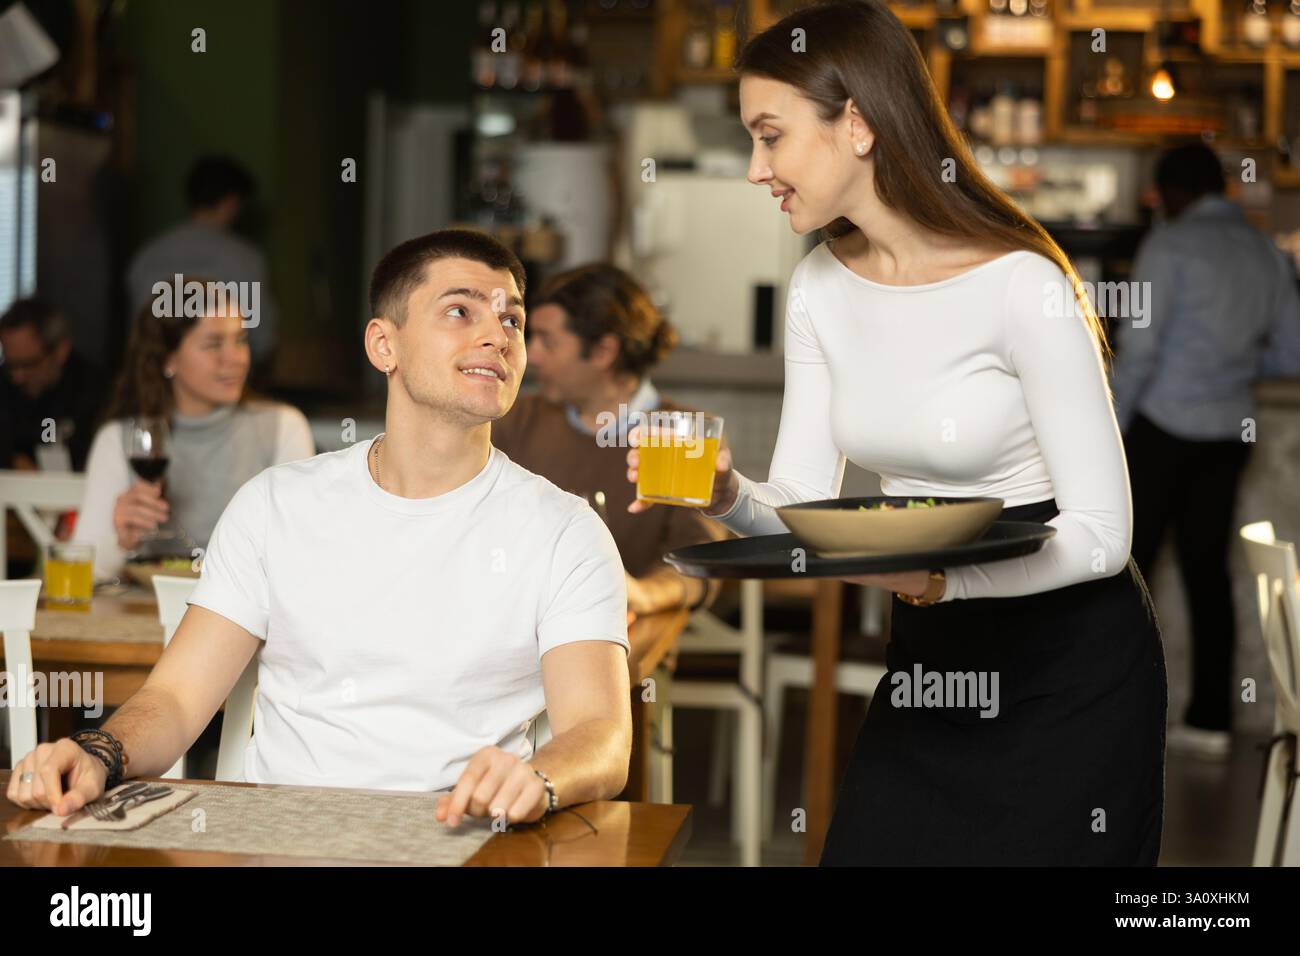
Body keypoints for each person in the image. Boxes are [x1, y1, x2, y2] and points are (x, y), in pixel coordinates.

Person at [627, 0, 1165, 865]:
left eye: (771, 136)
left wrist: (942, 585)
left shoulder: (1020, 284)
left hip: (1069, 671)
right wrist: (727, 493)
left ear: (860, 125)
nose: (756, 168)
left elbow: (1103, 538)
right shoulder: (818, 289)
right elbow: (802, 506)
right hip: (932, 659)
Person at [9, 230, 632, 830]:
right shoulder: (275, 506)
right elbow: (174, 699)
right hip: (280, 844)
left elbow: (599, 735)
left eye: (513, 321)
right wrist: (98, 751)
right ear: (384, 345)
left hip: (460, 843)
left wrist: (539, 779)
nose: (498, 335)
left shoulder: (566, 532)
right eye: (459, 311)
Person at [1114, 143, 1300, 759]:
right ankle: (1211, 720)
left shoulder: (1167, 245)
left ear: (1172, 192)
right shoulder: (1264, 251)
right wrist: (1240, 366)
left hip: (1162, 427)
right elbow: (1291, 352)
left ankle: (1112, 713)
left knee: (1125, 573)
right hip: (1228, 433)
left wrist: (1110, 424)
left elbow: (1139, 352)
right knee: (1207, 573)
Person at [491, 263, 727, 616]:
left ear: (604, 351)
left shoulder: (681, 436)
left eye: (547, 341)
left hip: (630, 647)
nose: (530, 354)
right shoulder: (513, 420)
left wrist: (642, 594)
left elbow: (699, 564)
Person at [73, 288, 314, 581]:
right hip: (145, 615)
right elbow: (83, 575)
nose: (235, 358)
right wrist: (121, 539)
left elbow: (302, 556)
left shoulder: (283, 428)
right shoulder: (120, 439)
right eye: (214, 344)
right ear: (168, 360)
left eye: (240, 340)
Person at [126, 155, 277, 373]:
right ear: (232, 202)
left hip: (154, 384)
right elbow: (263, 343)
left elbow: (135, 339)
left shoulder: (146, 256)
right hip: (222, 390)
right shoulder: (244, 259)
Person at [0, 297, 108, 470]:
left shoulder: (96, 393)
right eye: (11, 364)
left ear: (60, 351)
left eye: (28, 364)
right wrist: (11, 459)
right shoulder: (4, 384)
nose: (17, 377)